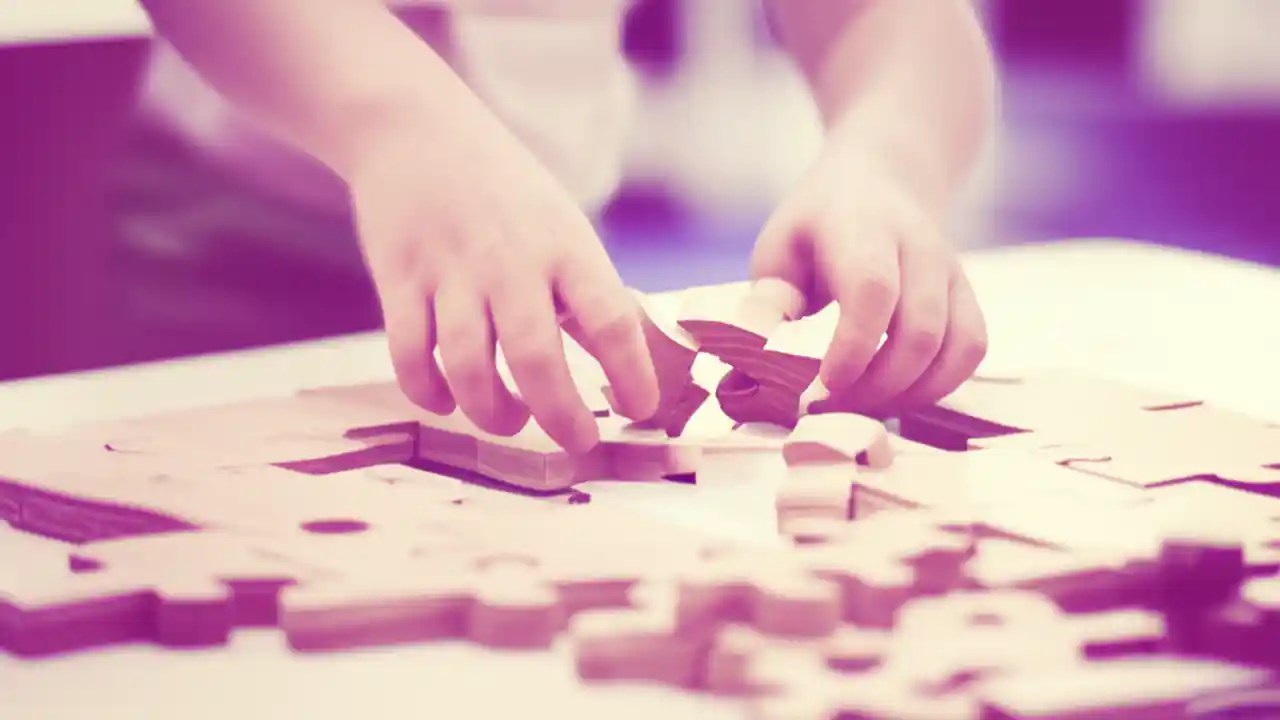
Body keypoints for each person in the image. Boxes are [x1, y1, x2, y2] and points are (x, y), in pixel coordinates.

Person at [136, 0, 995, 454]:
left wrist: (890, 157)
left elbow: (886, 15)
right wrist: (400, 126)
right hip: (230, 251)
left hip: (550, 270)